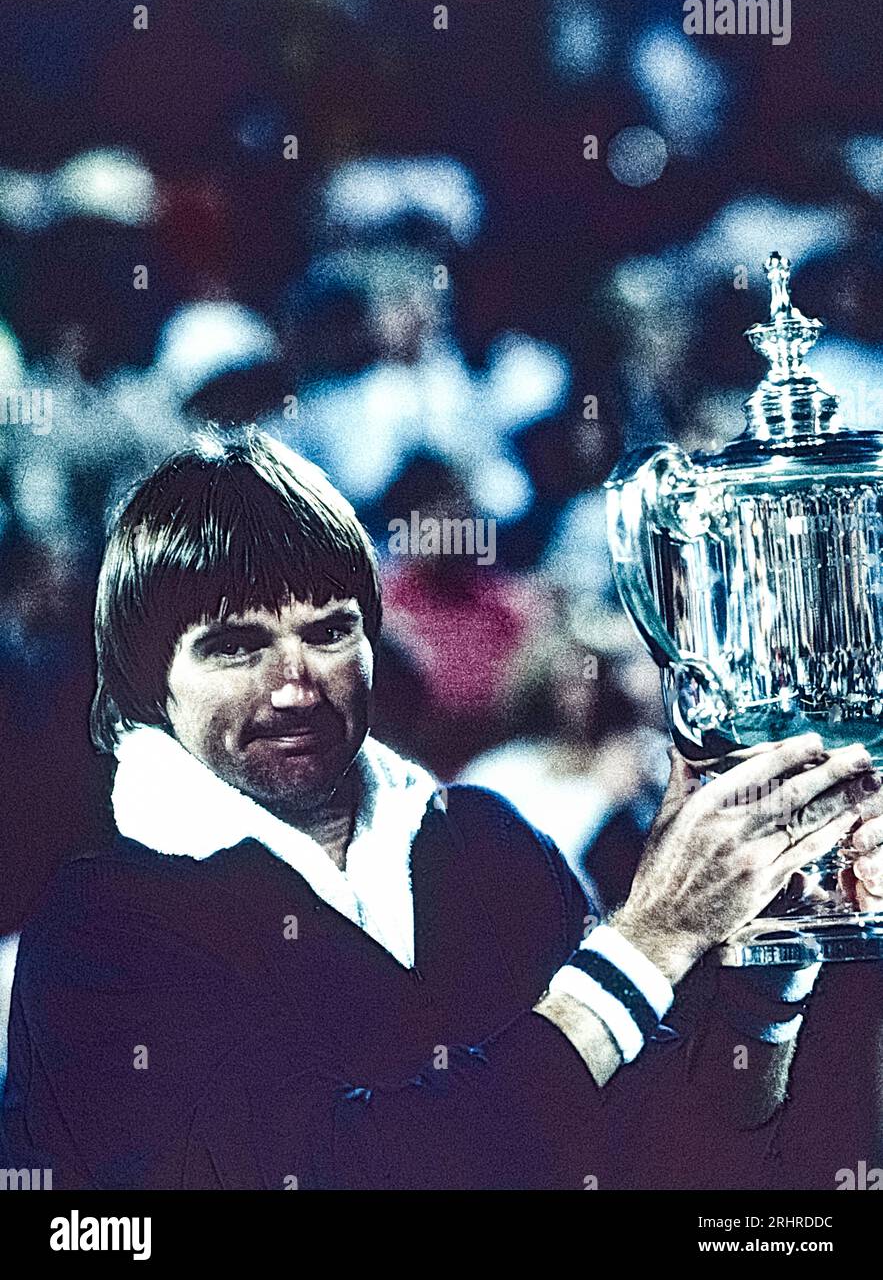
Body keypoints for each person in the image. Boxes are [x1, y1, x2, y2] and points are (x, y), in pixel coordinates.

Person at [3, 424, 883, 1191]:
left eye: (328, 631)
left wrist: (765, 986)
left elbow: (668, 1162)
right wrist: (643, 946)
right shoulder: (98, 929)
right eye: (234, 647)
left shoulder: (482, 842)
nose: (293, 687)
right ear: (147, 684)